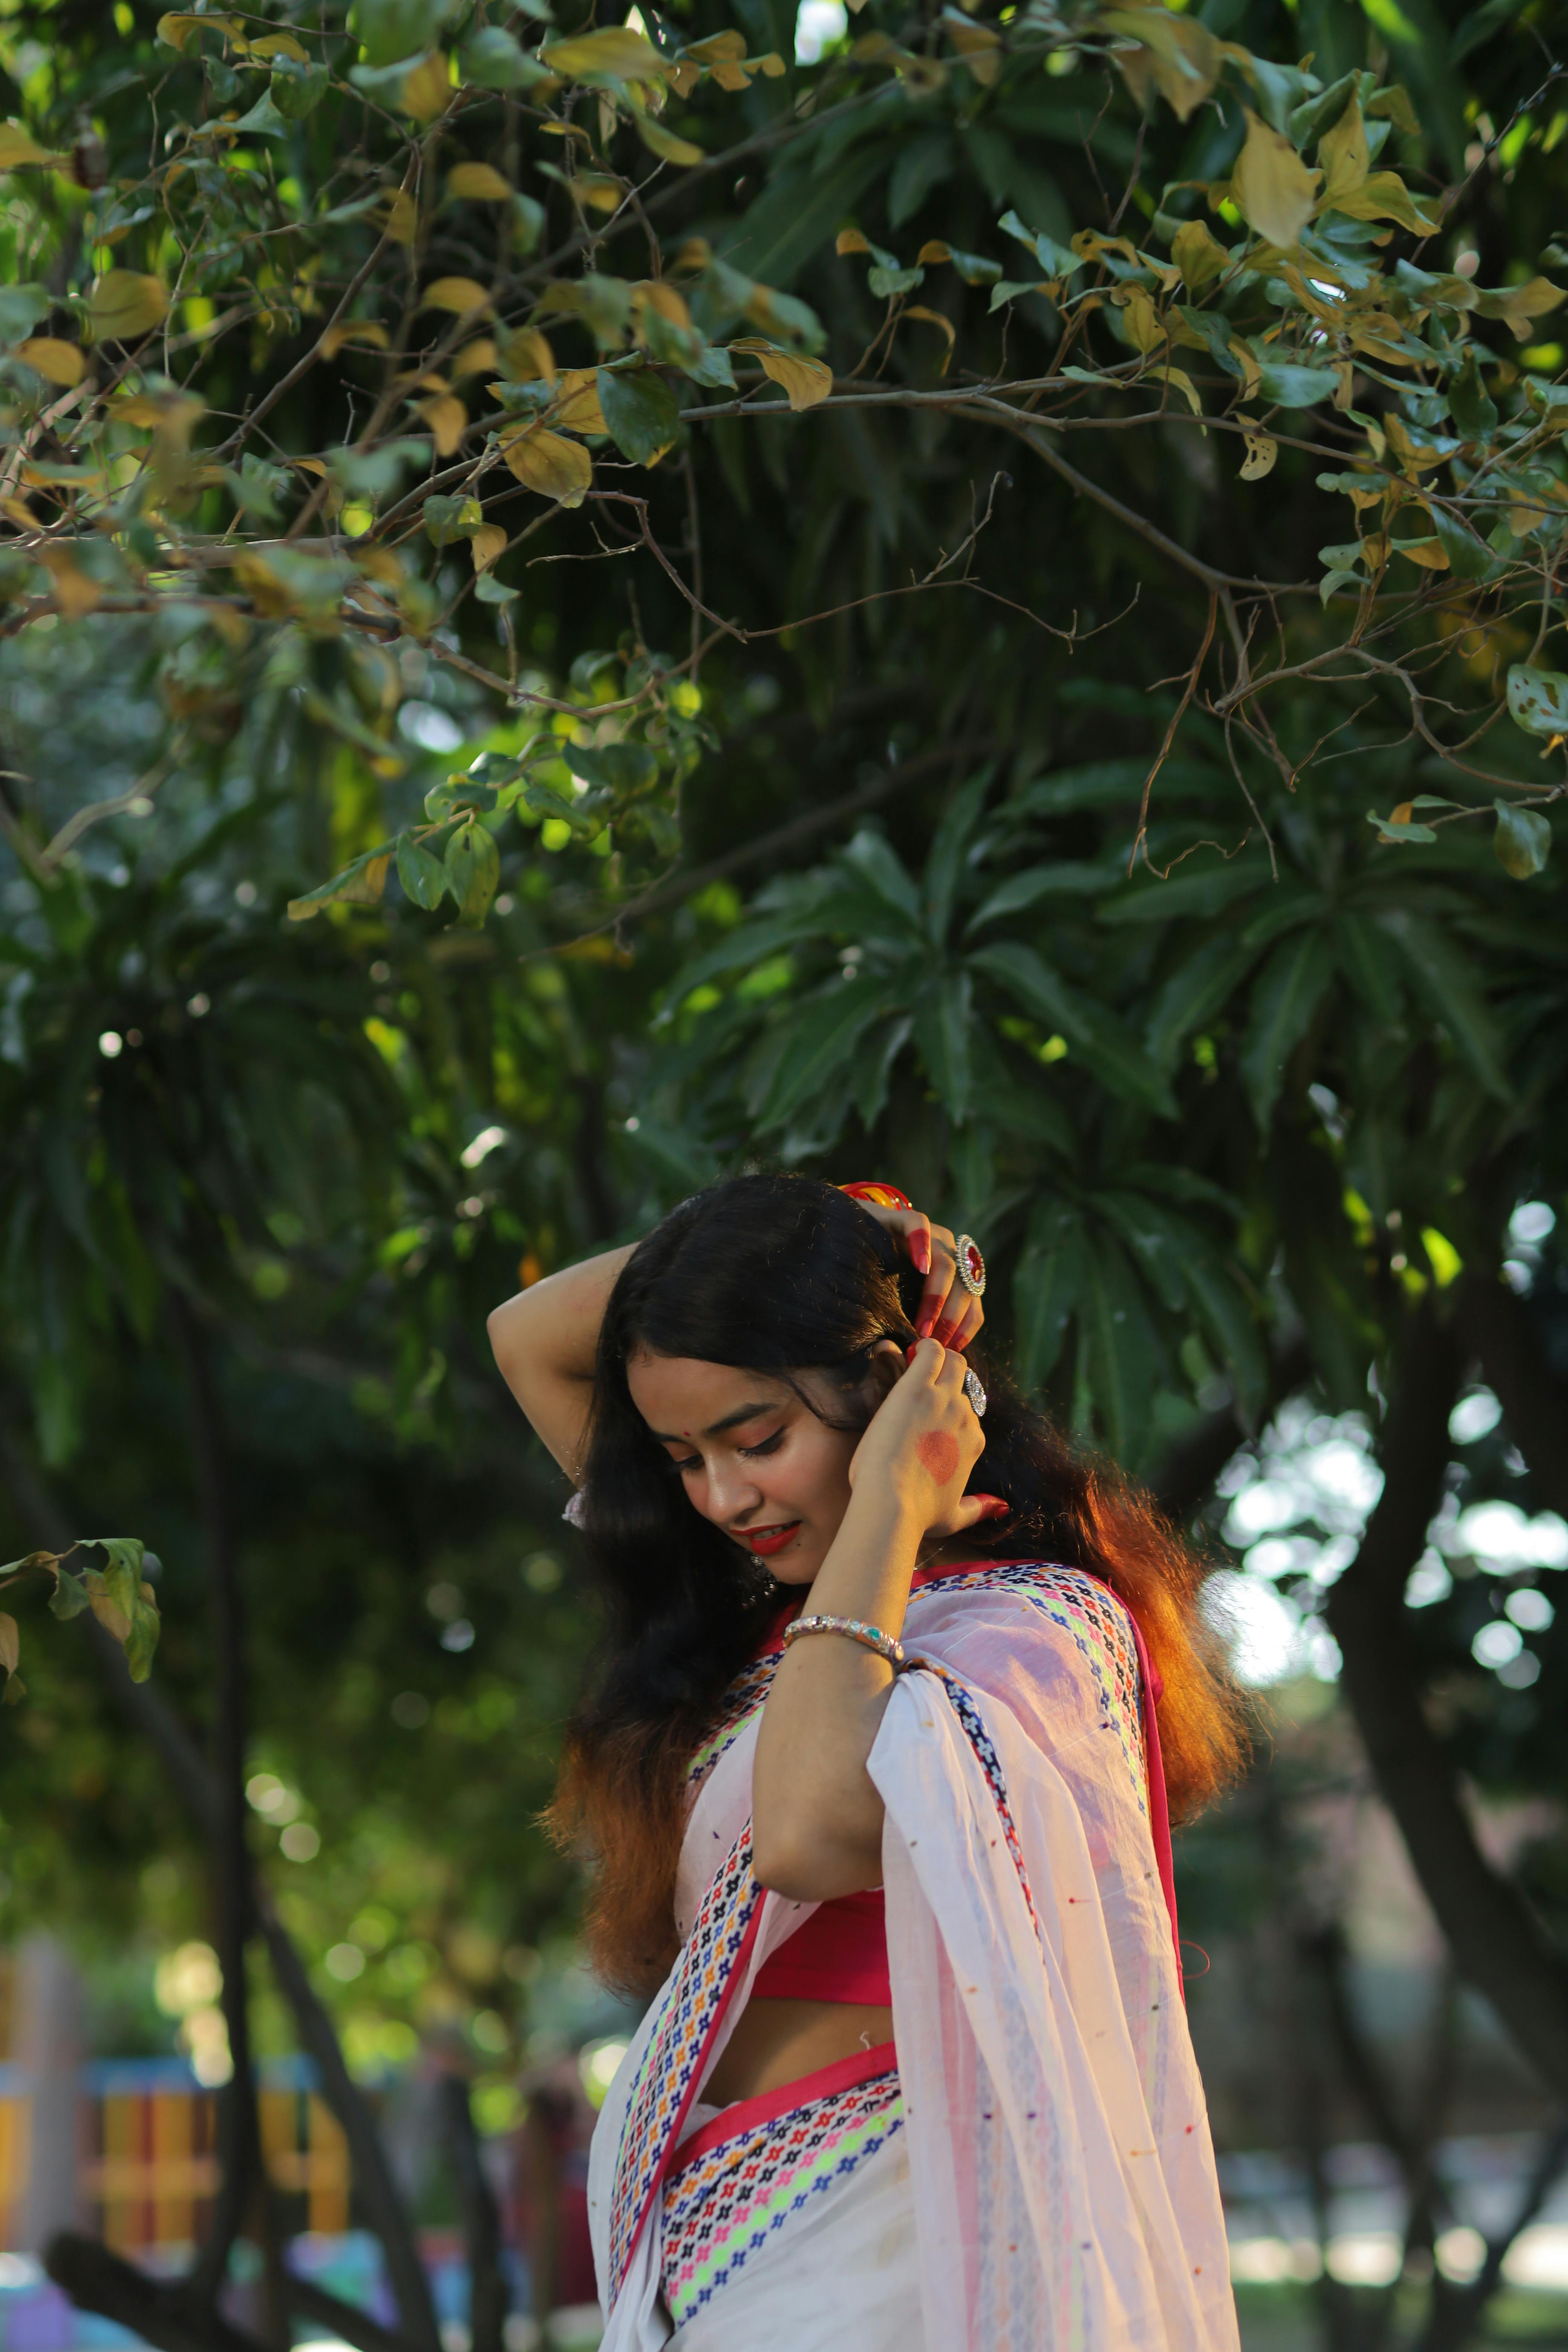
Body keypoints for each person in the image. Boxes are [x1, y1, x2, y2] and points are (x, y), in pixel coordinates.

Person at [488, 1172, 1244, 2352]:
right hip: (708, 2235)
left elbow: (804, 1839)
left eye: (759, 1440)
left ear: (892, 1389)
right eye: (685, 1457)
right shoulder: (769, 1622)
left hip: (896, 2226)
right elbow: (525, 1335)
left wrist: (894, 1495)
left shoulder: (1031, 1629)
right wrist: (847, 1230)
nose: (725, 1496)